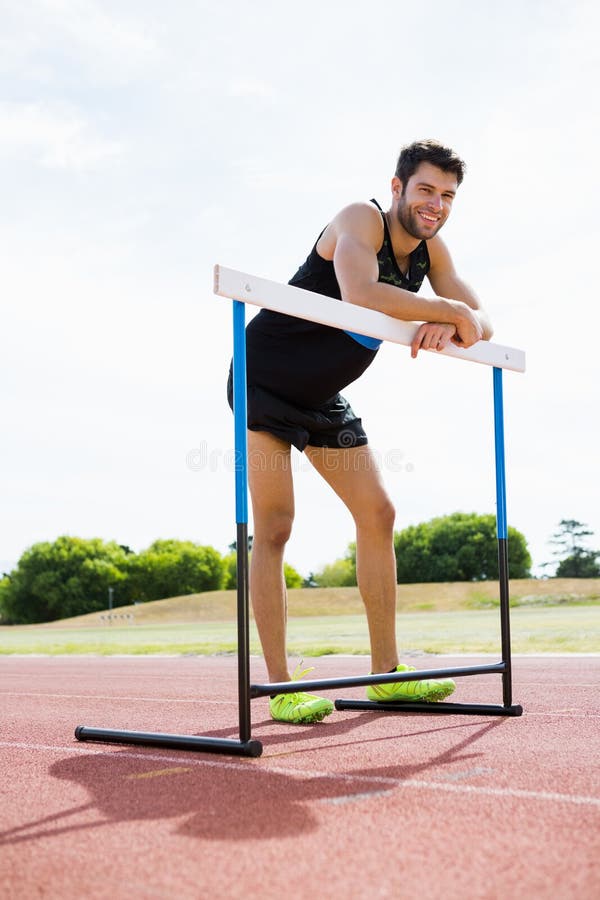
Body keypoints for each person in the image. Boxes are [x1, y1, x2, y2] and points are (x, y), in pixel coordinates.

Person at [227, 139, 493, 724]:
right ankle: (280, 687)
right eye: (426, 190)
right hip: (264, 381)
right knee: (275, 525)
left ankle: (386, 675)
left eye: (447, 196)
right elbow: (361, 294)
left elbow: (482, 321)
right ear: (398, 187)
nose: (436, 205)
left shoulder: (432, 248)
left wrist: (454, 317)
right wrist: (441, 313)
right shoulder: (359, 220)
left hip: (323, 399)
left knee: (379, 513)